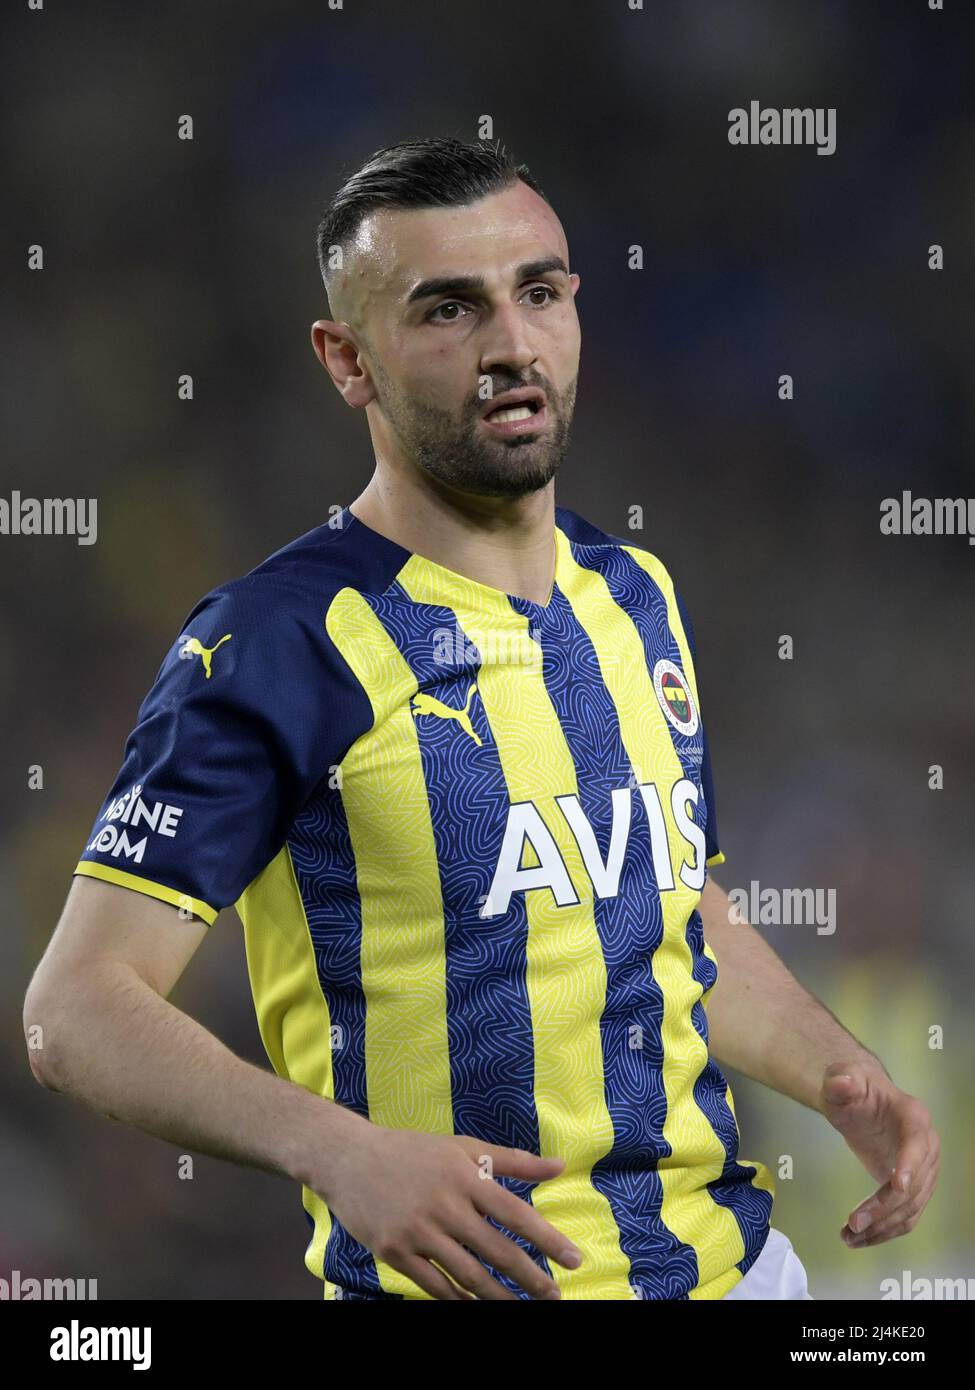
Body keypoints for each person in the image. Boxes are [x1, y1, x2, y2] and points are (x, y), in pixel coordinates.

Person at [23, 137, 939, 1301]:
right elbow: (76, 1009)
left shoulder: (636, 594)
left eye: (540, 294)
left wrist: (838, 1071)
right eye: (448, 310)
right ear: (347, 360)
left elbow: (663, 910)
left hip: (745, 1274)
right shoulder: (277, 645)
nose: (511, 345)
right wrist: (340, 1151)